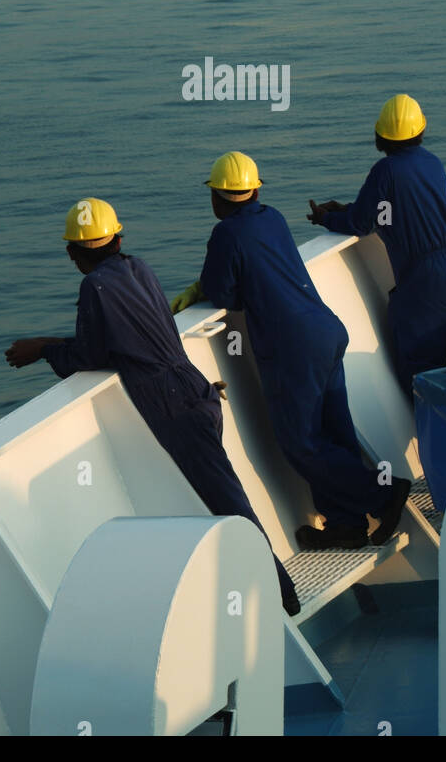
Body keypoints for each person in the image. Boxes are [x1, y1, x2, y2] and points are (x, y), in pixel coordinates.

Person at [6, 195, 301, 616]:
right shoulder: (139, 268)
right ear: (118, 238)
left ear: (74, 253)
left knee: (229, 505)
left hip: (171, 404)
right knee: (224, 497)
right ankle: (263, 591)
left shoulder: (95, 287)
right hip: (193, 386)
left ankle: (282, 598)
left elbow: (90, 355)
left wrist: (43, 349)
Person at [172, 153, 411, 552]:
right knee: (336, 433)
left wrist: (201, 288)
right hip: (327, 331)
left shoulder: (226, 235)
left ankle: (383, 494)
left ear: (218, 197)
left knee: (301, 442)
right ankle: (346, 526)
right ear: (255, 191)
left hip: (292, 347)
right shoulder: (274, 217)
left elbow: (224, 294)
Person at [308, 94, 446, 399]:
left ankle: (433, 428)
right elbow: (401, 205)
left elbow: (362, 223)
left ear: (380, 136)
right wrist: (346, 208)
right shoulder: (432, 162)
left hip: (428, 280)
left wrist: (328, 218)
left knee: (422, 369)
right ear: (421, 131)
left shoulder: (385, 171)